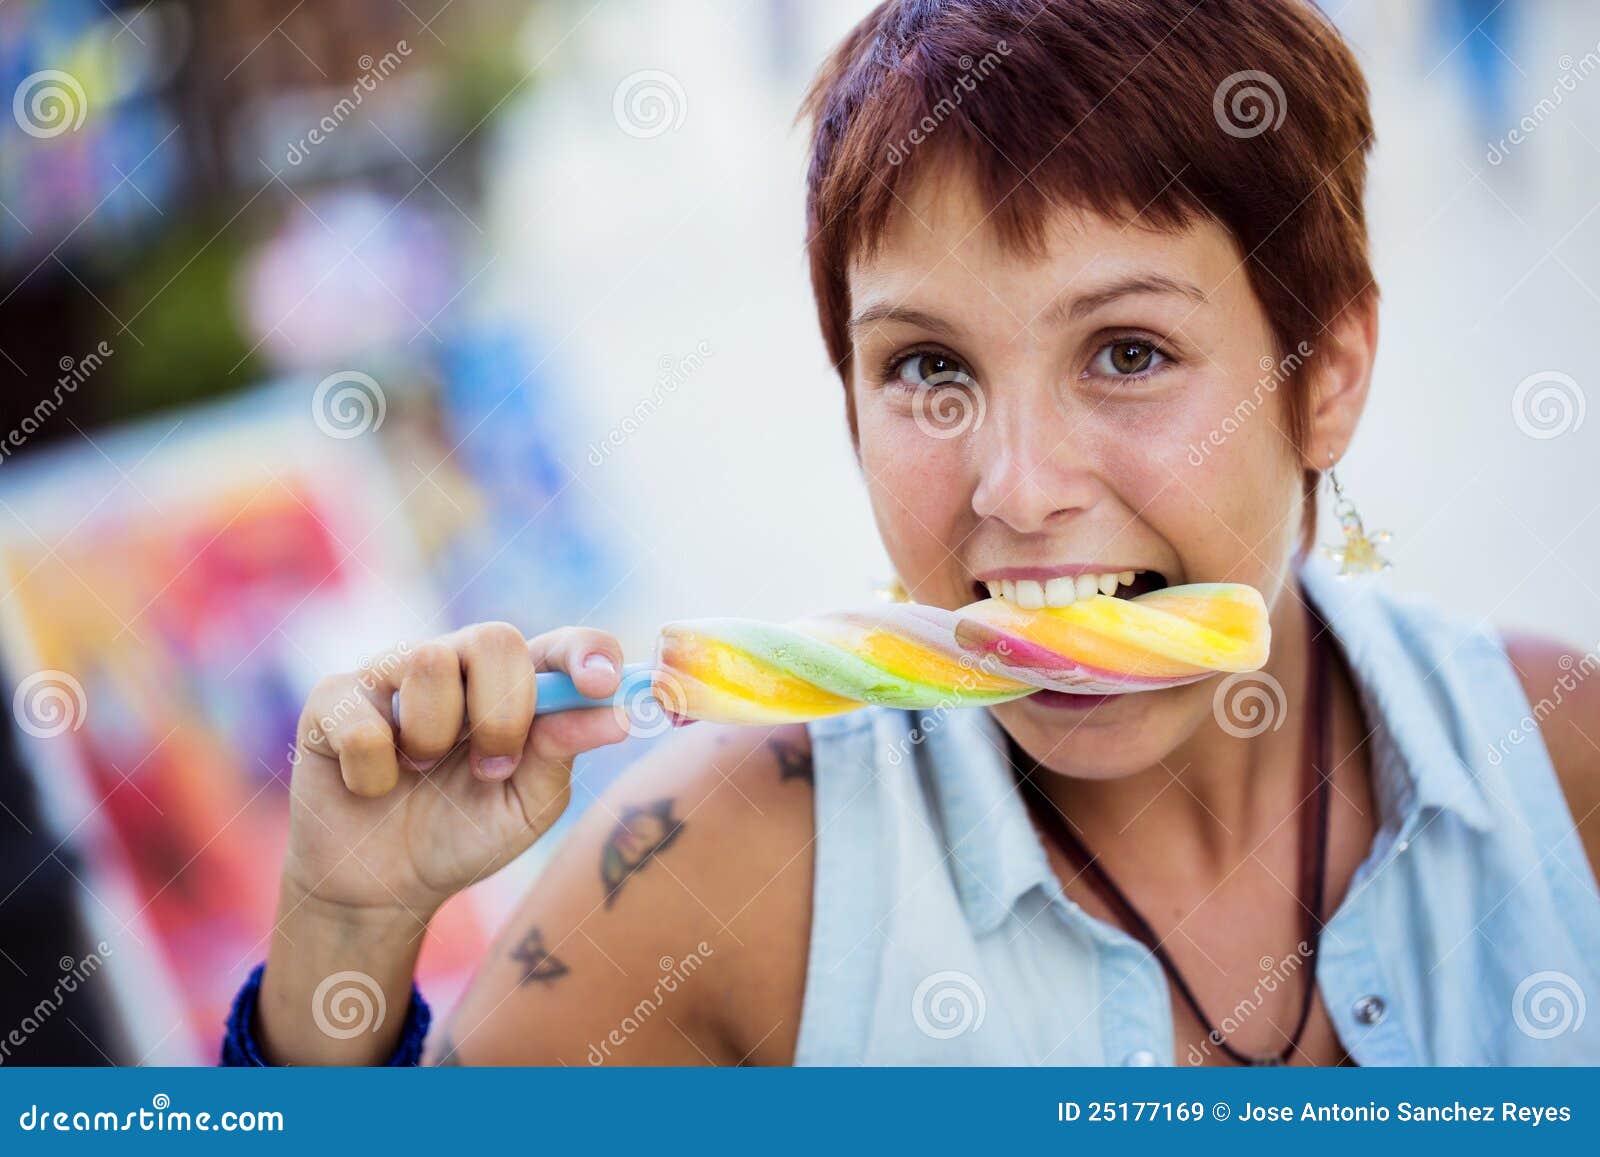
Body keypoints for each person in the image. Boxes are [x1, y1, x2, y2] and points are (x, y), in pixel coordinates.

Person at [226, 0, 1600, 1067]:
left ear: (1329, 370)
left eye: (1127, 350)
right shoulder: (727, 871)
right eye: (927, 368)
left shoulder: (1561, 762)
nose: (1015, 484)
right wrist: (344, 934)